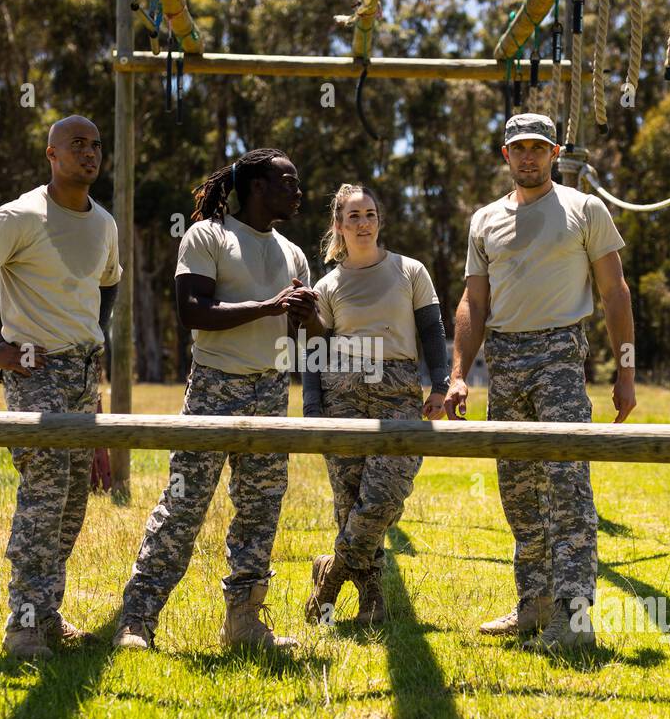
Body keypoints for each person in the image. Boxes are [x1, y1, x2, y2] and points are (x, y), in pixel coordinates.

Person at [444, 113, 637, 652]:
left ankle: (574, 620)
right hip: (504, 362)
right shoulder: (484, 221)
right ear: (505, 156)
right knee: (518, 487)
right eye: (518, 148)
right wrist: (459, 376)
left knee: (567, 484)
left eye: (538, 147)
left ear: (555, 152)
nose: (528, 156)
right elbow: (473, 303)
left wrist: (626, 370)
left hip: (559, 356)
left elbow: (615, 293)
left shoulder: (583, 209)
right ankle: (534, 604)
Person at [113, 148, 320, 651]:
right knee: (183, 505)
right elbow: (193, 311)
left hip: (271, 390)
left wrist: (308, 315)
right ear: (255, 187)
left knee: (259, 509)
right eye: (287, 182)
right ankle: (136, 620)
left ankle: (245, 624)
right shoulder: (207, 235)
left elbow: (304, 336)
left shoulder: (293, 253)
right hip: (215, 386)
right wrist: (270, 305)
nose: (298, 191)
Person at [0, 114, 121, 660]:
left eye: (96, 145)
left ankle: (46, 615)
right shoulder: (20, 216)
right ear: (52, 154)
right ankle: (21, 628)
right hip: (35, 374)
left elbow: (108, 286)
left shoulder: (104, 224)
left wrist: (97, 341)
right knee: (44, 499)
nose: (90, 153)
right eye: (78, 144)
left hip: (83, 374)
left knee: (71, 505)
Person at [301, 184, 449, 626]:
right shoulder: (326, 285)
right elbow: (313, 351)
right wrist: (312, 407)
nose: (363, 223)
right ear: (339, 226)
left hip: (398, 393)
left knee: (384, 495)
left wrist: (439, 385)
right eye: (353, 217)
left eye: (370, 214)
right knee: (349, 500)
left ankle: (330, 576)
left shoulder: (410, 271)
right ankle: (372, 600)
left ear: (379, 221)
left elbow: (432, 331)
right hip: (340, 395)